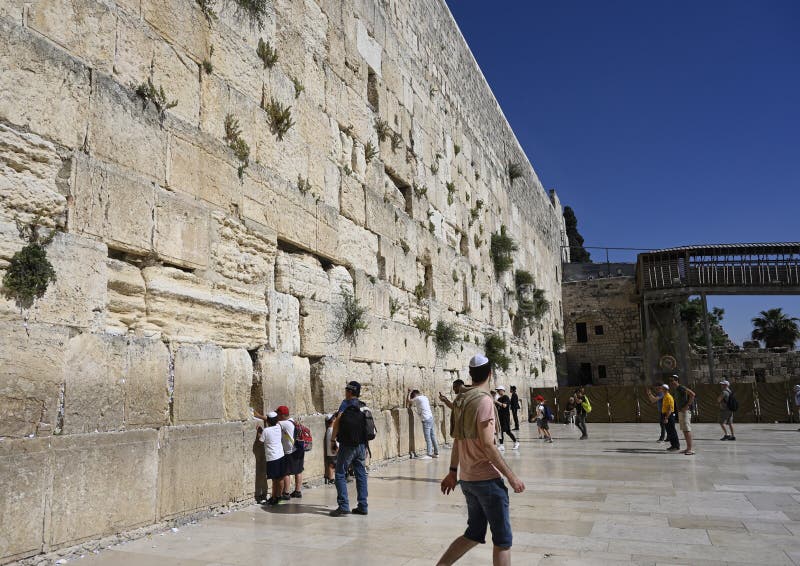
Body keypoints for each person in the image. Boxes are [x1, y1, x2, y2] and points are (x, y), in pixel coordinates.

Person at [438, 354, 525, 566]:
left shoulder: (461, 399)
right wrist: (512, 476)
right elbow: (488, 445)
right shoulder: (484, 401)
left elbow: (458, 439)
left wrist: (452, 471)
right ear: (490, 373)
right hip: (487, 481)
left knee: (474, 533)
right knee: (503, 540)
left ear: (470, 374)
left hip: (467, 480)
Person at [330, 381, 369, 517]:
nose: (345, 392)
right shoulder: (362, 405)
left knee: (340, 473)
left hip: (347, 445)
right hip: (361, 445)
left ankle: (343, 506)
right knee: (361, 474)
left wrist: (333, 440)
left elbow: (337, 423)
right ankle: (363, 506)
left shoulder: (345, 404)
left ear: (350, 392)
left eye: (346, 390)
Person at [260, 411, 286, 505]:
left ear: (268, 421)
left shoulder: (266, 431)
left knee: (274, 480)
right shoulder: (279, 427)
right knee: (281, 478)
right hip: (281, 455)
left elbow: (261, 440)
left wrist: (259, 431)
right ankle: (279, 496)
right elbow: (276, 421)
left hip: (272, 457)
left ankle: (274, 498)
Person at [276, 406, 300, 499]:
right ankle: (298, 491)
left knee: (286, 472)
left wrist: (260, 416)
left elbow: (272, 421)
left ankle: (286, 493)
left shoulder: (284, 423)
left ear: (281, 415)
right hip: (297, 449)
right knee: (298, 471)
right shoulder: (292, 420)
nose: (276, 416)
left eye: (277, 414)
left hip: (289, 451)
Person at [408, 389, 439, 459]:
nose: (413, 398)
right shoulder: (425, 397)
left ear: (415, 395)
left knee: (427, 438)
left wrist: (409, 393)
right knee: (433, 436)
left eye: (413, 396)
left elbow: (409, 401)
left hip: (426, 419)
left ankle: (429, 454)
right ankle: (436, 453)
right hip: (430, 418)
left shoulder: (418, 398)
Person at [669, 375, 696, 456]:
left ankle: (690, 449)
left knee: (687, 429)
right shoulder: (676, 389)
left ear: (677, 380)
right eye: (670, 381)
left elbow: (692, 394)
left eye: (672, 380)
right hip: (681, 411)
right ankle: (688, 448)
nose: (671, 382)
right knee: (684, 429)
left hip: (685, 411)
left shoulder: (681, 388)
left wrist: (687, 406)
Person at [494, 386, 519, 451]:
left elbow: (504, 405)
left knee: (508, 431)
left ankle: (516, 442)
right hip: (500, 417)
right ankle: (501, 445)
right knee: (500, 431)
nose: (498, 392)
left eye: (499, 390)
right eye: (497, 391)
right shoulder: (499, 399)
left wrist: (496, 402)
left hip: (505, 417)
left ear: (503, 390)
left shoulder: (506, 397)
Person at [660, 385, 680, 451]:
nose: (661, 390)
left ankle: (676, 446)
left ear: (665, 390)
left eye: (662, 389)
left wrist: (666, 418)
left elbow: (669, 409)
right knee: (669, 431)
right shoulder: (665, 396)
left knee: (672, 431)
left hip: (668, 415)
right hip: (666, 414)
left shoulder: (668, 397)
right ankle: (673, 445)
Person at [324, 413, 338, 484]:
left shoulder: (329, 429)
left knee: (332, 464)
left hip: (331, 451)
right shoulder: (332, 430)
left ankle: (331, 478)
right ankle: (331, 479)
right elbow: (334, 441)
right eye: (334, 418)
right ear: (332, 420)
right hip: (333, 451)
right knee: (331, 465)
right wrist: (336, 449)